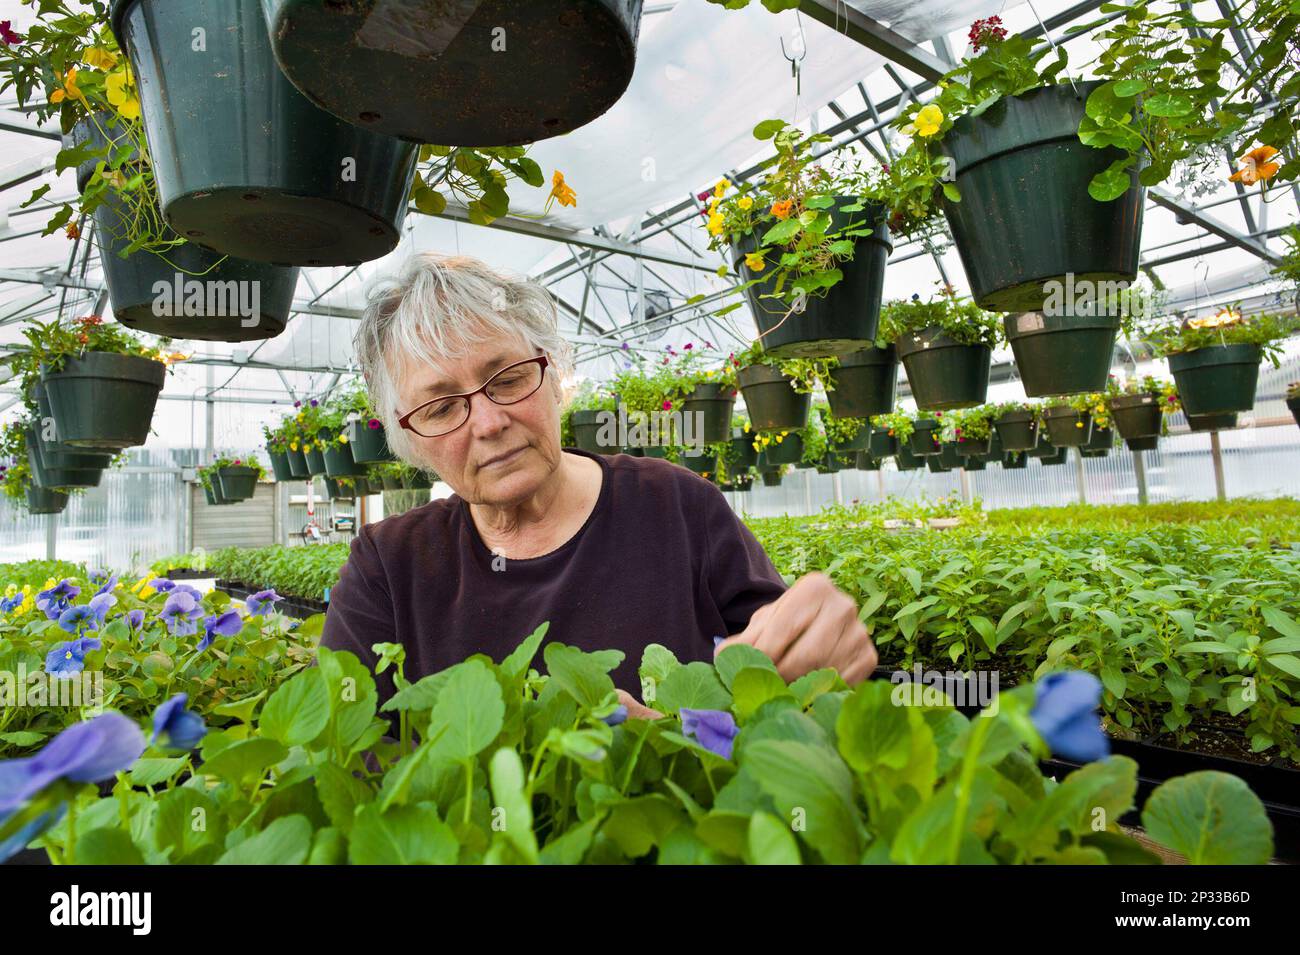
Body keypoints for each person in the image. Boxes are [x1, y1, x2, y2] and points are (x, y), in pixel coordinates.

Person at [320, 253, 877, 720]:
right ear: (411, 439)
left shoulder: (677, 505)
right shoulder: (388, 565)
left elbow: (788, 678)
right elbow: (355, 754)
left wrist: (815, 643)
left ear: (555, 373)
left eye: (509, 379)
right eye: (443, 408)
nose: (489, 423)